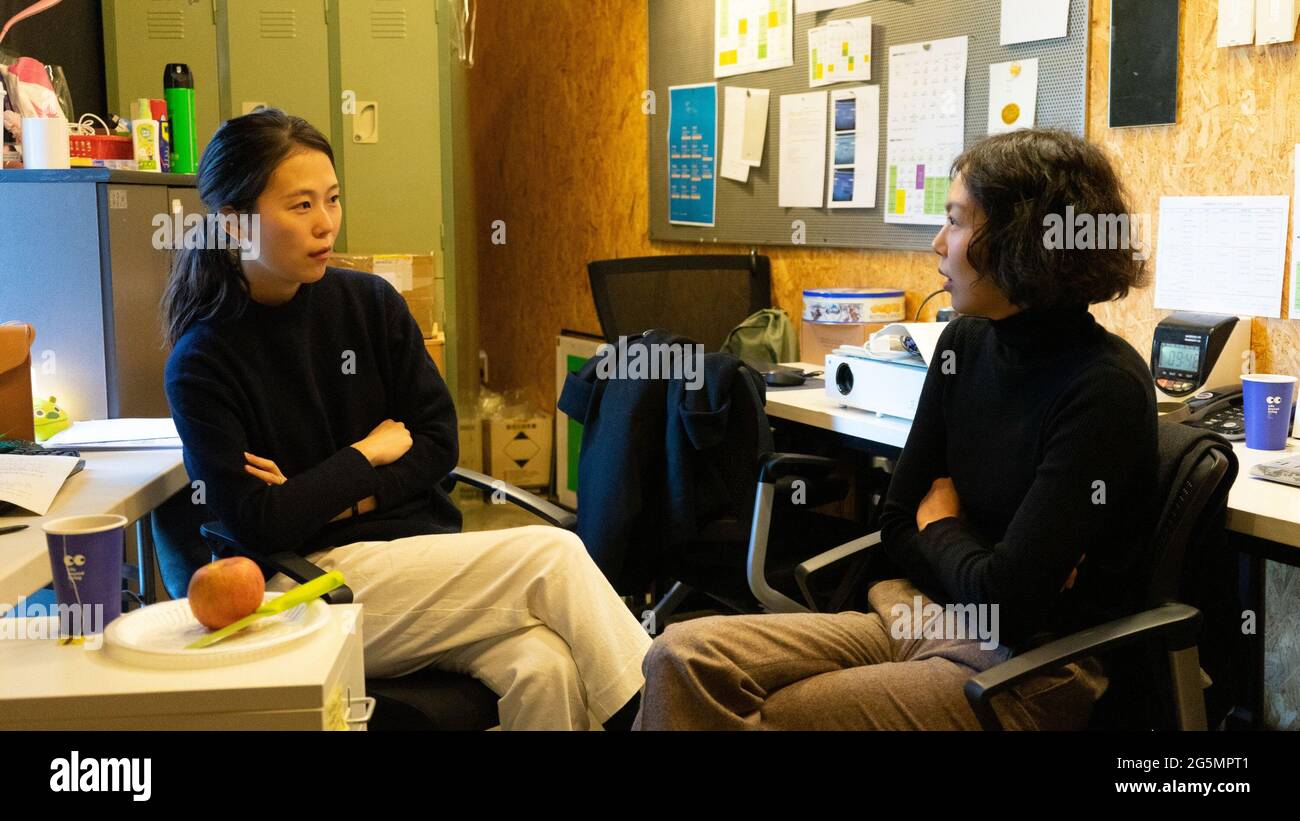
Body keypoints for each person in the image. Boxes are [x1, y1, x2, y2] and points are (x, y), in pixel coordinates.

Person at [634, 128, 1157, 730]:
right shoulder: (963, 345)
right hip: (912, 615)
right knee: (679, 656)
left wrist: (941, 525)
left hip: (1031, 665)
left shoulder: (1103, 386)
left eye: (957, 222)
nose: (937, 243)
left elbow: (1009, 609)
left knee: (782, 715)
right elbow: (893, 524)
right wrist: (974, 562)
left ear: (1021, 242)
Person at [161, 108, 650, 730]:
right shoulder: (203, 360)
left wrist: (330, 495)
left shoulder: (369, 304)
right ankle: (669, 714)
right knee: (553, 555)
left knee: (545, 666)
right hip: (308, 590)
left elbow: (437, 442)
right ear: (234, 223)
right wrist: (366, 457)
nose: (326, 224)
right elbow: (260, 522)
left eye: (332, 200)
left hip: (420, 563)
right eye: (301, 206)